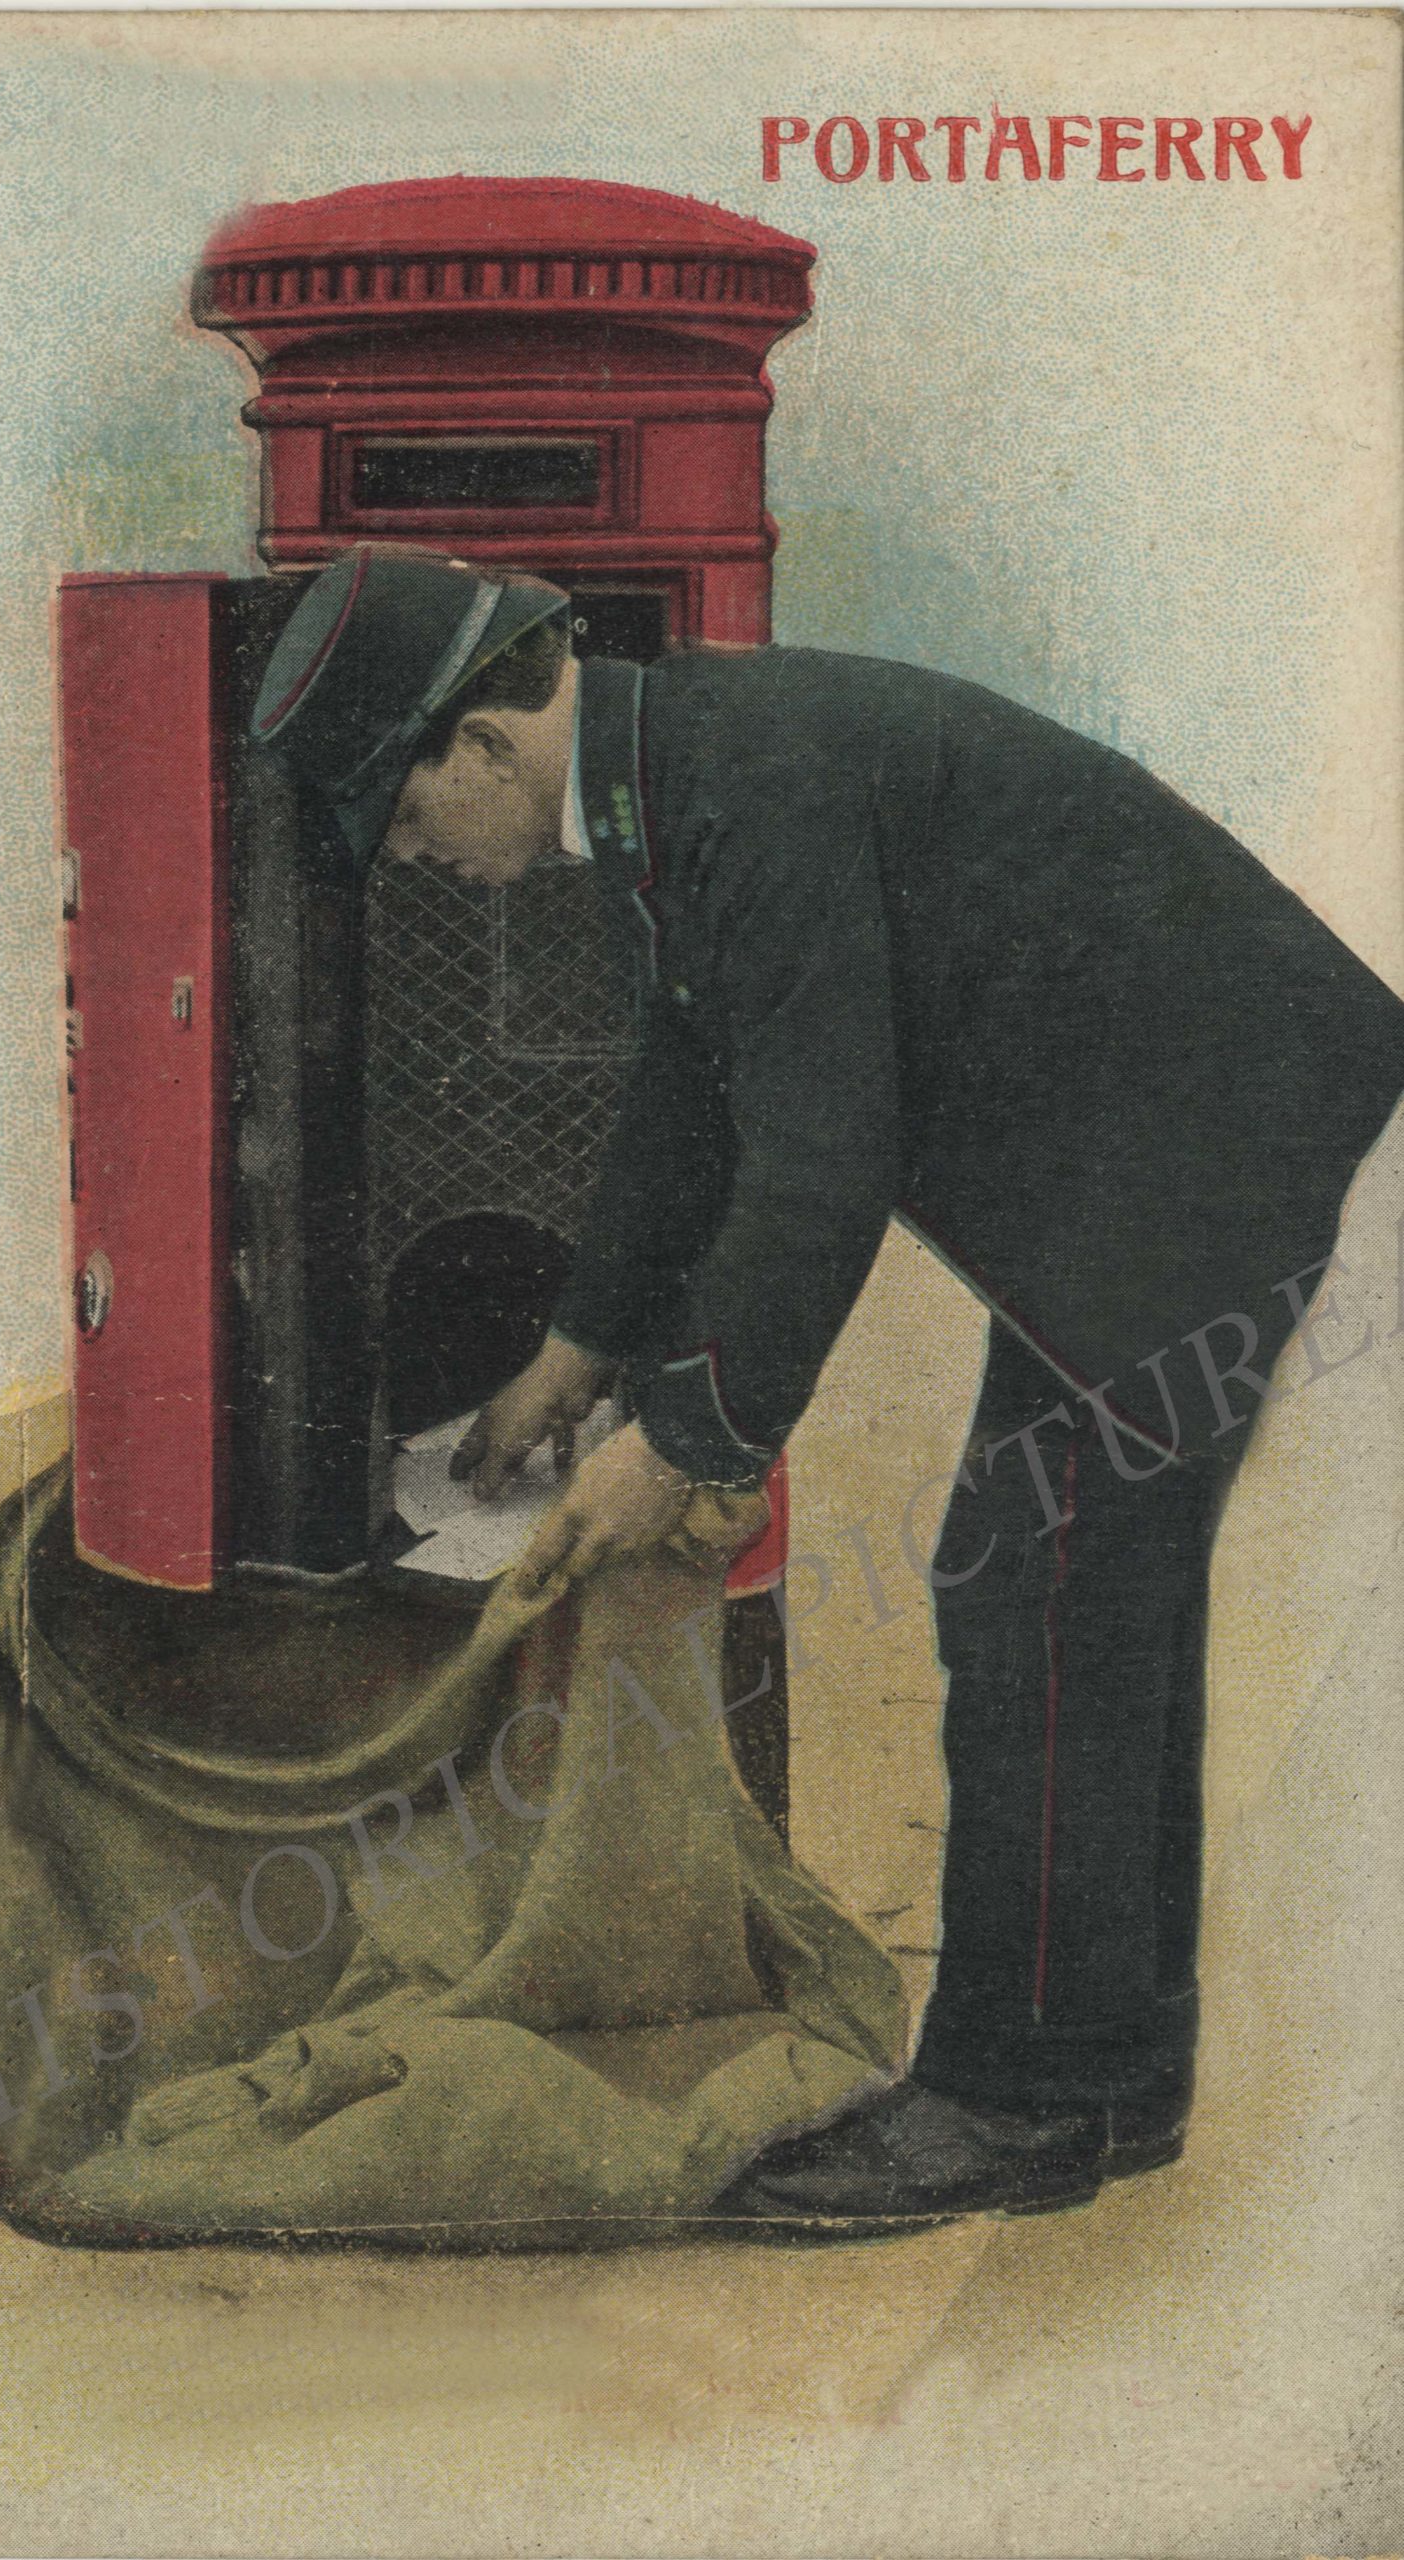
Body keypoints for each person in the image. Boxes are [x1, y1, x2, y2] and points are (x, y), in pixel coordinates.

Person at [251, 542, 1404, 2231]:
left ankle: (1019, 2100)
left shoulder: (739, 785)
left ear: (485, 747)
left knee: (1038, 1584)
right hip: (1174, 1152)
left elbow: (818, 1152)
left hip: (1215, 1154)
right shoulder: (679, 769)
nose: (438, 869)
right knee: (1076, 1594)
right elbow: (691, 1082)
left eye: (418, 826)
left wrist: (693, 1438)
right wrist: (574, 1357)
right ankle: (1111, 2076)